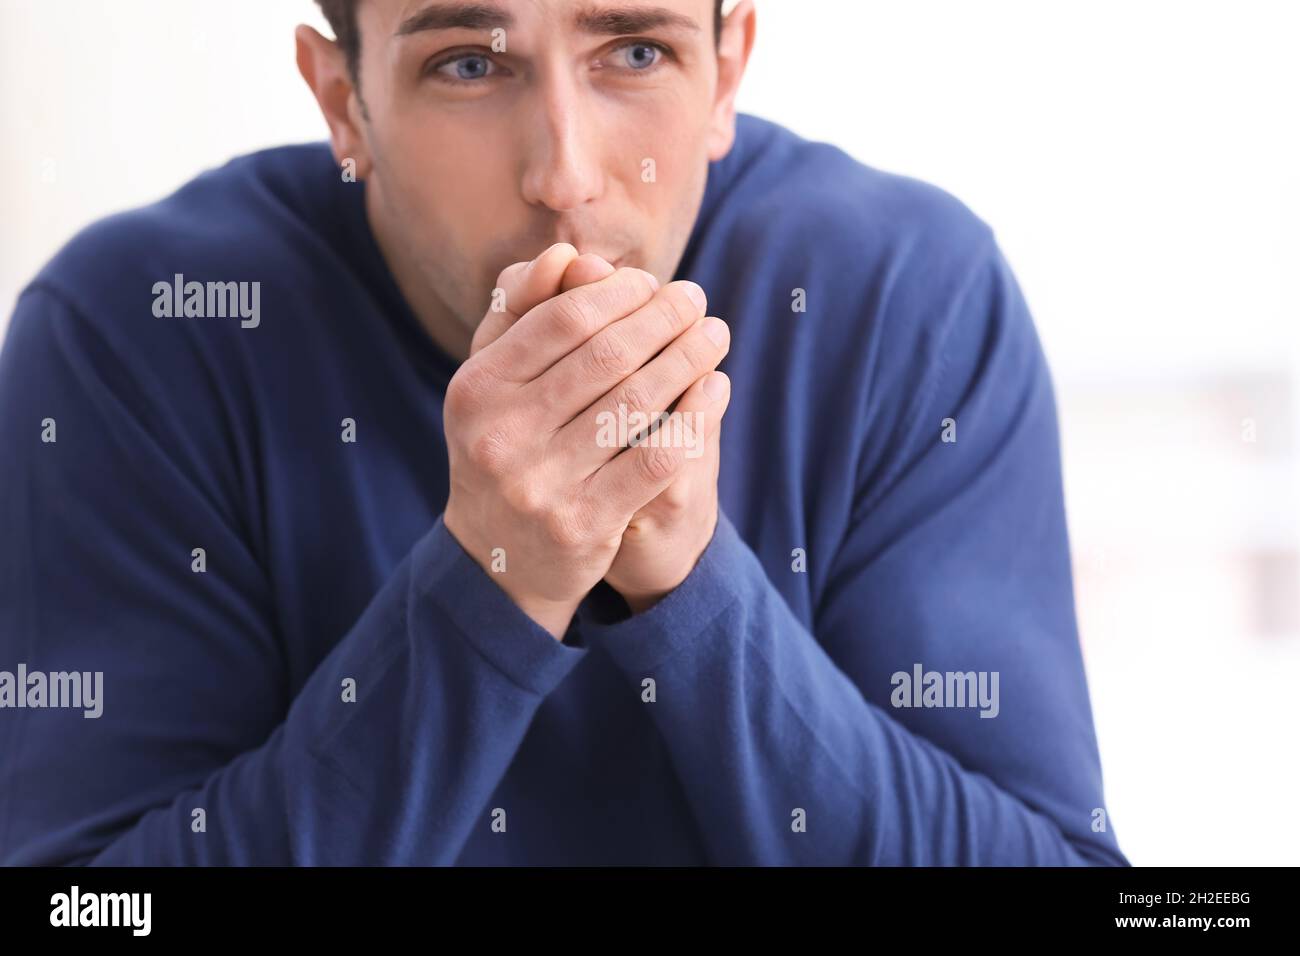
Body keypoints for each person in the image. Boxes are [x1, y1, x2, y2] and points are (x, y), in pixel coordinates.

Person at [0, 0, 1128, 865]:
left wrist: (696, 585)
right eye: (467, 64)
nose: (566, 178)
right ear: (343, 102)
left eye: (634, 50)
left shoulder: (907, 301)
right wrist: (491, 583)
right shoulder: (131, 334)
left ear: (727, 67)